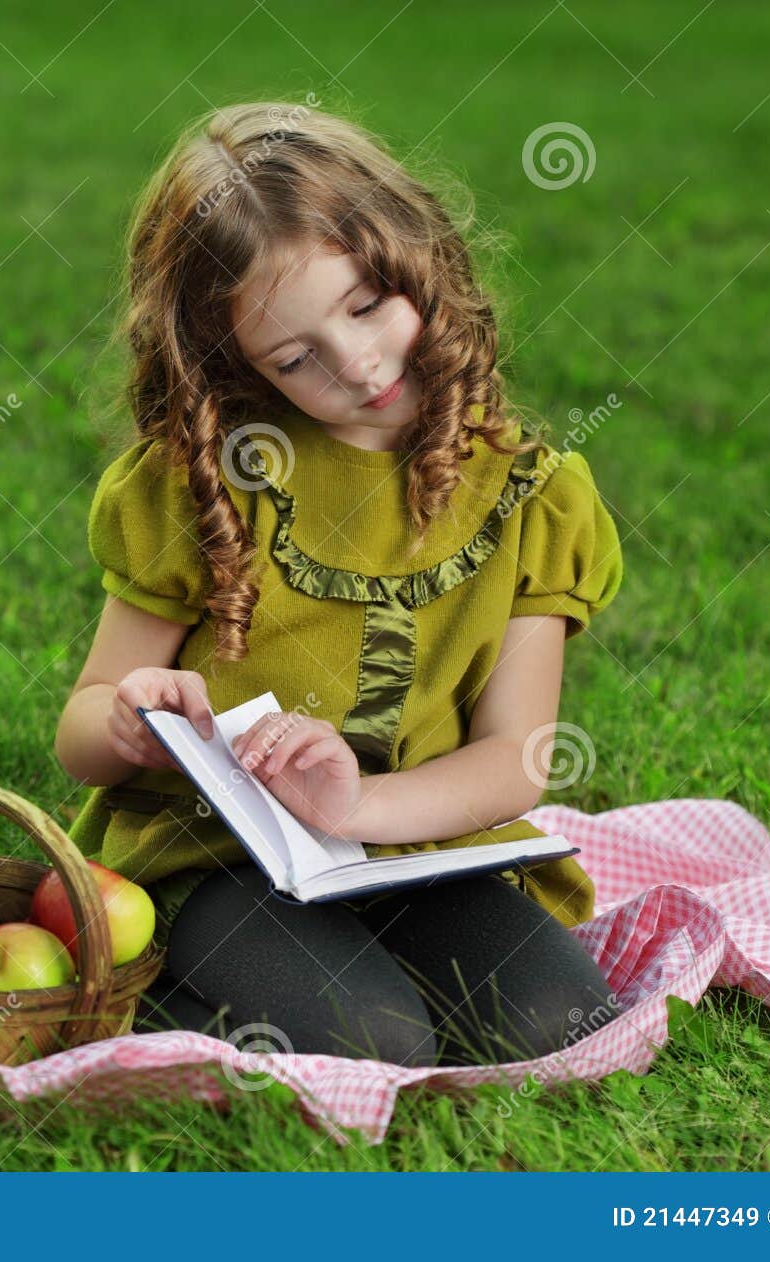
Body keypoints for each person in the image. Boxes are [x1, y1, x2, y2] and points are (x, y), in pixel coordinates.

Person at [52, 101, 625, 1068]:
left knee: (556, 1024)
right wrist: (125, 720)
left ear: (416, 252)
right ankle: (127, 1004)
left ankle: (323, 977)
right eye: (293, 358)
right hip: (220, 863)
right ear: (234, 365)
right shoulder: (208, 481)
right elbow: (81, 734)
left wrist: (357, 810)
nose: (356, 364)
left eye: (366, 304)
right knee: (370, 1040)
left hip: (412, 849)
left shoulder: (534, 498)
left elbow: (515, 762)